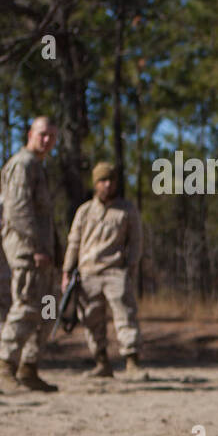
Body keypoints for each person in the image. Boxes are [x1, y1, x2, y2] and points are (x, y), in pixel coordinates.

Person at [61, 162, 144, 378]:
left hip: (116, 271)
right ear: (95, 183)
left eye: (111, 180)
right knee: (90, 319)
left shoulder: (127, 210)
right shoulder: (85, 211)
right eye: (102, 180)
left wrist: (130, 269)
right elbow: (74, 242)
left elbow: (136, 242)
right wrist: (67, 270)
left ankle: (132, 362)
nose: (107, 185)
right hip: (87, 273)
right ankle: (101, 362)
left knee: (125, 316)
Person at [0, 116, 60, 394]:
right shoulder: (22, 165)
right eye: (42, 134)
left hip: (44, 254)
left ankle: (29, 367)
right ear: (30, 134)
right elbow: (17, 209)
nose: (46, 140)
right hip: (27, 252)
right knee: (25, 306)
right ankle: (5, 367)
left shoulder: (39, 167)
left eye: (51, 136)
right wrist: (35, 247)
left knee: (48, 308)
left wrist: (52, 251)